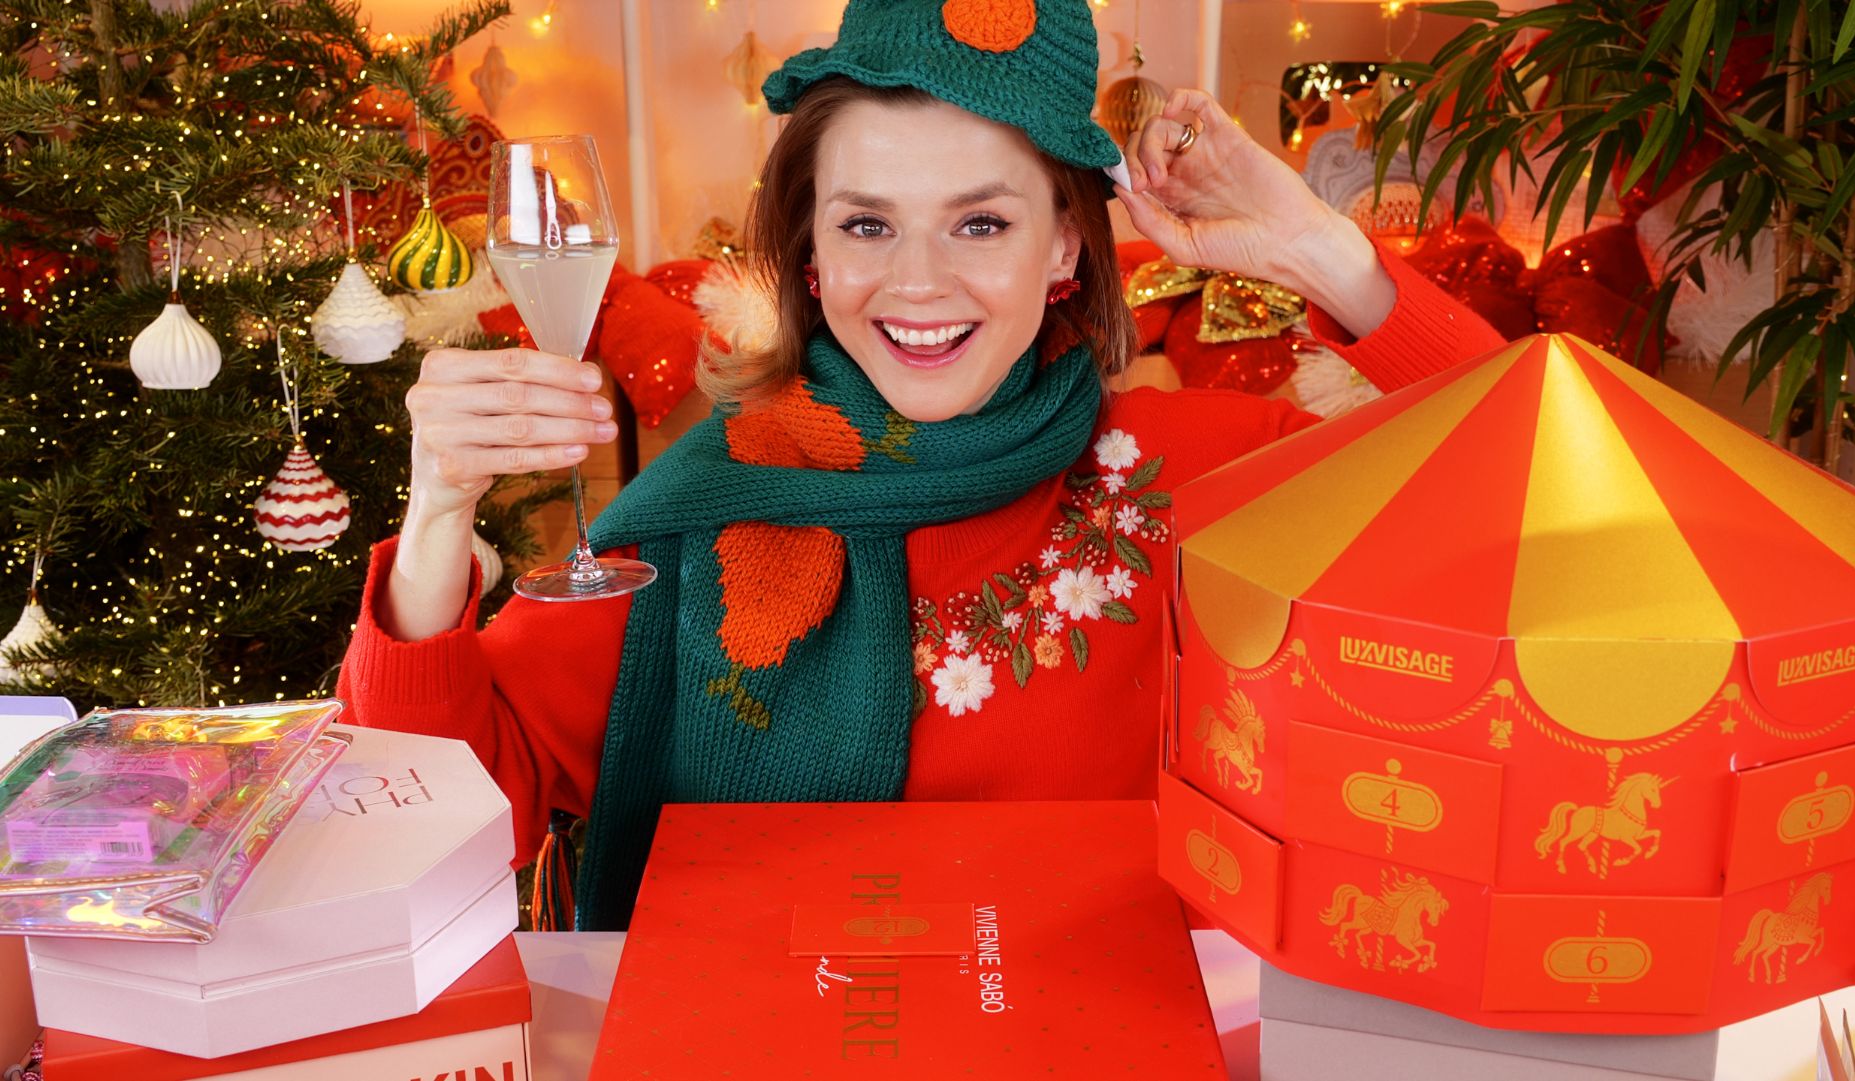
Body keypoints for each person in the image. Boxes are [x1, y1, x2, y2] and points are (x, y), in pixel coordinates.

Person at [339, 0, 1505, 930]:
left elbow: (1529, 505)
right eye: (867, 224)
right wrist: (436, 518)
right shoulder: (698, 519)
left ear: (1066, 246)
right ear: (809, 252)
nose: (918, 282)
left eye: (982, 223)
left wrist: (1320, 251)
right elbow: (425, 826)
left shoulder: (1191, 481)